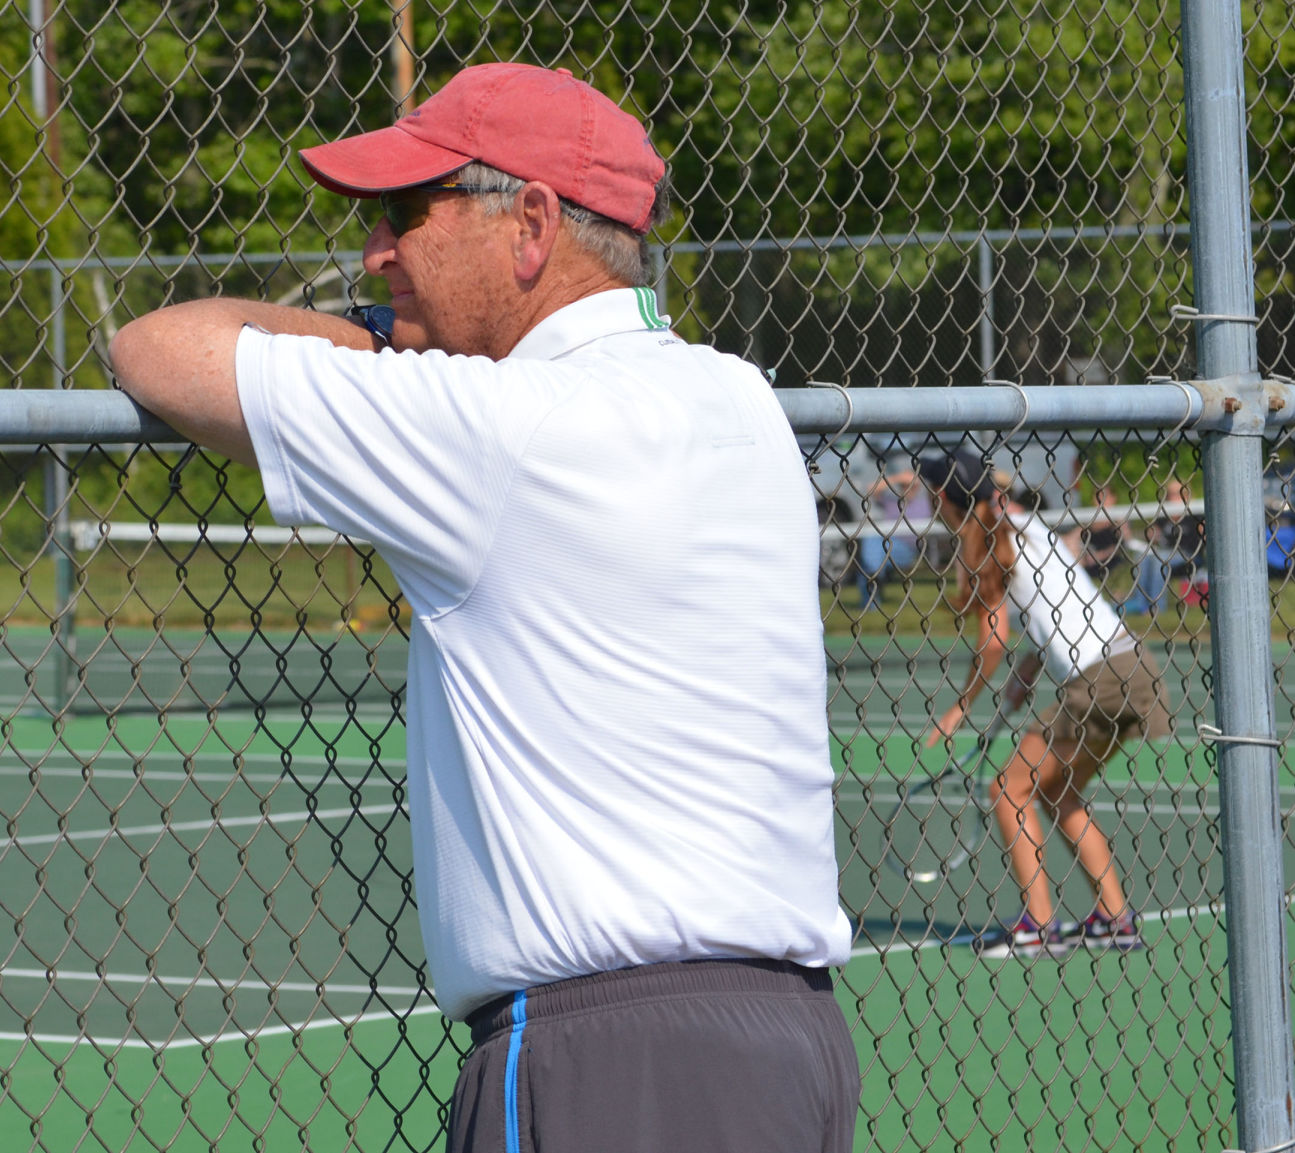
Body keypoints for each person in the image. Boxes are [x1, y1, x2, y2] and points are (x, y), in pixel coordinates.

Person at [109, 62, 858, 1152]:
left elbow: (156, 347)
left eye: (405, 215)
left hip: (603, 1064)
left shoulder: (494, 427)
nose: (376, 252)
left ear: (531, 225)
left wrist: (375, 336)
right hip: (791, 1044)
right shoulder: (736, 396)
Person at [919, 450, 1172, 957]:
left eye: (928, 492)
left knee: (1009, 789)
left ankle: (1038, 925)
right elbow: (1052, 604)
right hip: (1134, 669)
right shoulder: (1024, 524)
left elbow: (993, 640)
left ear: (944, 498)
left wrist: (960, 707)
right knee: (1058, 794)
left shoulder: (985, 542)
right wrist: (1026, 674)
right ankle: (1115, 919)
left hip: (1097, 679)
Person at [1121, 480, 1204, 614]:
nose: (1172, 498)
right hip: (1166, 553)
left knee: (1160, 558)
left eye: (1178, 493)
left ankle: (1156, 607)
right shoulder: (1164, 515)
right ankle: (1140, 603)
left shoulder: (1195, 513)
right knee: (1142, 557)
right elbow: (1153, 536)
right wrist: (1151, 534)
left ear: (1187, 495)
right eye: (1169, 494)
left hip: (1190, 556)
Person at [854, 468, 928, 610]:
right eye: (905, 485)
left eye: (912, 485)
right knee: (872, 542)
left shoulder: (925, 503)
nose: (908, 489)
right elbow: (869, 490)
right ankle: (874, 573)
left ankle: (874, 573)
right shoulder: (892, 501)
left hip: (907, 549)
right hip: (885, 545)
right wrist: (897, 478)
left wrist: (913, 479)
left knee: (871, 552)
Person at [1075, 484, 1134, 583]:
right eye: (1097, 497)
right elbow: (1072, 538)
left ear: (1113, 498)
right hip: (1086, 561)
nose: (1100, 501)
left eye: (1104, 496)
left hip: (1111, 562)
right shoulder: (1088, 521)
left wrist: (1098, 556)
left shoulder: (1118, 519)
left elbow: (1126, 543)